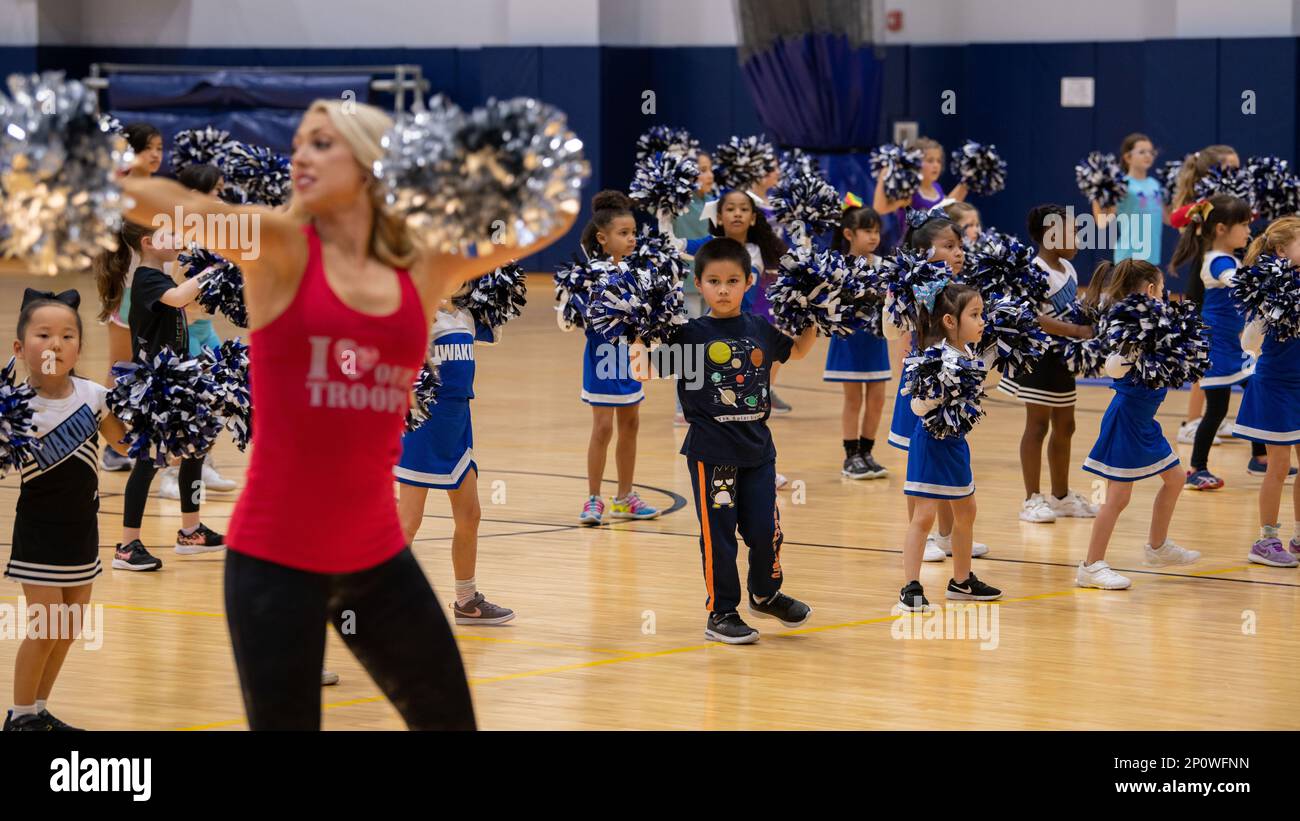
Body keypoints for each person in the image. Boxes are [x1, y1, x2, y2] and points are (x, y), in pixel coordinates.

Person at [120, 98, 576, 729]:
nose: (301, 153)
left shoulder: (423, 265)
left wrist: (506, 155)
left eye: (322, 143)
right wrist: (100, 172)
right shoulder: (277, 245)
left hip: (374, 556)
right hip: (274, 556)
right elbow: (192, 210)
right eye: (299, 143)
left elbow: (549, 217)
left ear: (369, 162)